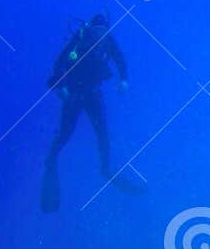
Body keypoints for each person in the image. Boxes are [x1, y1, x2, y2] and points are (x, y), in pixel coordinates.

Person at [42, 13, 139, 212]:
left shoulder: (108, 42)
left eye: (103, 32)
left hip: (94, 94)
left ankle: (106, 167)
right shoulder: (79, 39)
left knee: (102, 133)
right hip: (74, 95)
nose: (100, 35)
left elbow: (121, 61)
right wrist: (61, 87)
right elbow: (60, 63)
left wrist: (124, 80)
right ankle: (52, 159)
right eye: (97, 31)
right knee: (65, 133)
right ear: (90, 29)